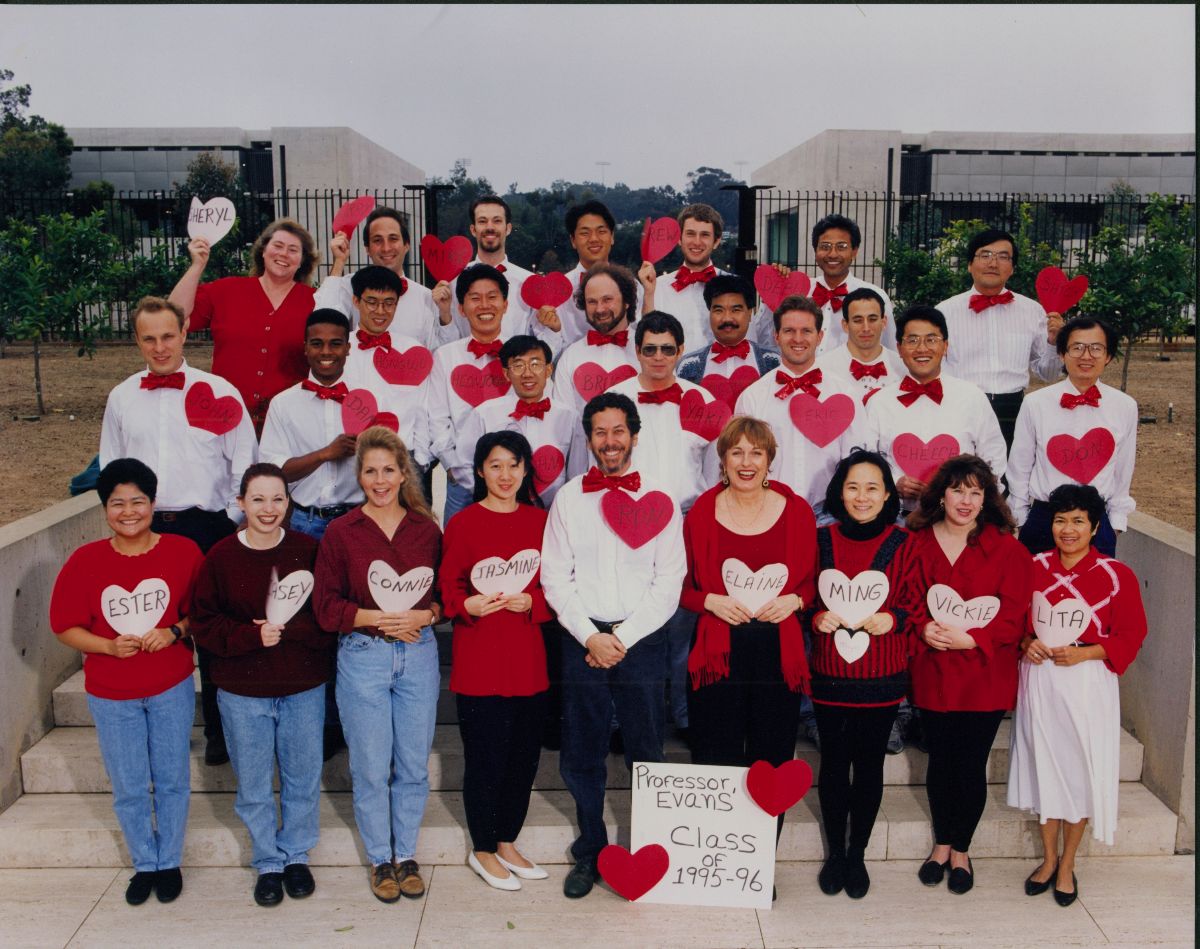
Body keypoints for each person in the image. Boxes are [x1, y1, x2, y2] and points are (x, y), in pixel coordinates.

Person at [100, 295, 257, 767]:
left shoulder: (220, 391)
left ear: (185, 333)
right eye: (149, 338)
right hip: (145, 529)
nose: (160, 347)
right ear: (137, 341)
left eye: (168, 336)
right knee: (149, 629)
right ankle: (156, 733)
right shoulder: (122, 397)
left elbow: (244, 462)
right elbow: (111, 467)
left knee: (210, 632)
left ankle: (219, 733)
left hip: (206, 525)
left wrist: (229, 519)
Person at [541, 392, 686, 899]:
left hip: (639, 637)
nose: (609, 442)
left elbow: (669, 583)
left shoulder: (661, 498)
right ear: (588, 439)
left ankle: (649, 847)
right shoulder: (566, 498)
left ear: (634, 435)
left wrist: (619, 638)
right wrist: (591, 636)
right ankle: (591, 851)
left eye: (618, 431)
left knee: (646, 747)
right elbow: (555, 578)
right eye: (600, 432)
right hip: (581, 637)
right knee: (582, 749)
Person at [49, 458, 203, 906]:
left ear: (153, 504)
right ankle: (145, 863)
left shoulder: (183, 552)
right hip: (112, 692)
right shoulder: (86, 561)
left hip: (170, 683)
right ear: (104, 509)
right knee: (130, 782)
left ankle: (169, 859)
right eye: (118, 503)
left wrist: (174, 630)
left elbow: (203, 612)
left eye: (138, 501)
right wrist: (106, 646)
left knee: (171, 776)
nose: (129, 511)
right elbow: (64, 625)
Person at [190, 463, 334, 908]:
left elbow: (327, 617)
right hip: (241, 690)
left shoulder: (309, 551)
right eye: (258, 499)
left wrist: (287, 631)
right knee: (253, 782)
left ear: (288, 503)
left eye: (277, 499)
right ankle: (268, 861)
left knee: (302, 775)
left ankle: (295, 855)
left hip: (301, 684)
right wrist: (251, 636)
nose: (268, 509)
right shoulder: (220, 557)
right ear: (241, 503)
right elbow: (205, 624)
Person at [312, 426, 442, 903]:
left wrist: (425, 614)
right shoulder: (341, 532)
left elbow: (444, 598)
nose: (380, 480)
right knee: (370, 766)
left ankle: (406, 853)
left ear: (404, 472)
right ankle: (379, 859)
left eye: (389, 470)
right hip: (364, 657)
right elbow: (326, 608)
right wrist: (379, 619)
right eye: (370, 471)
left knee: (411, 764)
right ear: (359, 475)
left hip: (419, 655)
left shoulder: (426, 529)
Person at [1007, 483, 1147, 907]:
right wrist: (1025, 642)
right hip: (1040, 681)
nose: (1068, 529)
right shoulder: (1031, 567)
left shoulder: (1115, 575)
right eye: (1060, 520)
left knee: (1079, 773)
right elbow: (1013, 621)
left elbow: (1133, 633)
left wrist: (1089, 651)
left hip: (1087, 683)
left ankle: (1067, 864)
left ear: (1095, 527)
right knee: (1045, 770)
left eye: (1078, 521)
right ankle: (1048, 859)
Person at [682, 417, 816, 851]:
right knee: (715, 756)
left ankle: (757, 862)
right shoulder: (701, 512)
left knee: (772, 759)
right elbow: (677, 585)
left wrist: (795, 601)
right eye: (736, 452)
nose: (746, 461)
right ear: (722, 460)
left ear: (769, 459)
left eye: (756, 452)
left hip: (778, 657)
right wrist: (709, 602)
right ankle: (719, 861)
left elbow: (813, 582)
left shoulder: (795, 511)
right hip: (718, 655)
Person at [904, 454, 1033, 895]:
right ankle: (940, 844)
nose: (965, 500)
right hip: (934, 668)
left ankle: (962, 849)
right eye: (958, 489)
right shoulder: (915, 542)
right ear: (941, 494)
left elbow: (1015, 613)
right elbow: (905, 599)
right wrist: (922, 626)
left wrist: (974, 639)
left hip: (984, 674)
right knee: (940, 761)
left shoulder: (1008, 548)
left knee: (971, 763)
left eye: (975, 492)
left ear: (987, 499)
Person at [440, 431, 552, 891]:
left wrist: (535, 605)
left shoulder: (542, 522)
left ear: (525, 469)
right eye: (494, 465)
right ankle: (482, 847)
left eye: (513, 464)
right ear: (480, 471)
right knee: (486, 757)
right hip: (480, 659)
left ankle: (508, 839)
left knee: (523, 757)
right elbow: (448, 589)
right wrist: (466, 606)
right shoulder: (464, 524)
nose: (505, 475)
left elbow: (558, 587)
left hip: (528, 659)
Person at [611, 310, 724, 736]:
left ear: (680, 351)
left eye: (667, 349)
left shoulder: (702, 401)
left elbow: (716, 472)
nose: (658, 358)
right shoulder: (614, 401)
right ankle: (629, 717)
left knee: (682, 625)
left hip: (685, 520)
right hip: (628, 523)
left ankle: (683, 712)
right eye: (649, 349)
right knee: (630, 616)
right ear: (637, 351)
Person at [808, 451, 916, 899]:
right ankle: (835, 853)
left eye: (873, 487)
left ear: (888, 494)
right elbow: (800, 594)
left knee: (869, 765)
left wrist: (894, 618)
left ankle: (858, 854)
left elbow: (918, 600)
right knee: (834, 763)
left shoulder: (905, 542)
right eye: (853, 487)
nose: (862, 496)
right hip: (829, 673)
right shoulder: (820, 540)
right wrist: (817, 618)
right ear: (839, 492)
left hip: (882, 674)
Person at [169, 218, 318, 430]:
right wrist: (197, 265)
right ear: (263, 250)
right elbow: (173, 318)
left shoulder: (315, 301)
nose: (284, 254)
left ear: (302, 260)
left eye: (293, 250)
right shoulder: (227, 290)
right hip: (225, 416)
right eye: (277, 245)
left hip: (287, 422)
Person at [1008, 317, 1135, 557]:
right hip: (1044, 519)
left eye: (1096, 348)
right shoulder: (1036, 403)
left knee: (1094, 593)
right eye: (1077, 347)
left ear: (1108, 356)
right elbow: (1020, 465)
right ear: (1062, 354)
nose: (1086, 356)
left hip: (1097, 521)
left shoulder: (1125, 406)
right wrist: (1022, 518)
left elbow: (1123, 469)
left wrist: (1115, 524)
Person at [864, 305, 1006, 518]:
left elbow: (993, 458)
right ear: (899, 348)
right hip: (896, 517)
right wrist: (892, 483)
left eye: (931, 339)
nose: (922, 348)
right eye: (912, 340)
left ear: (945, 346)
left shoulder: (972, 397)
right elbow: (866, 460)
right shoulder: (878, 402)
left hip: (959, 519)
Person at [735, 294, 867, 520]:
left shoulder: (845, 394)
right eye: (789, 331)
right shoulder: (752, 398)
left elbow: (858, 460)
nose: (798, 339)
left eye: (806, 331)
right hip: (768, 512)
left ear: (820, 337)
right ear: (776, 336)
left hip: (831, 514)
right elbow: (741, 461)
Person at [936, 229, 1064, 448]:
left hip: (1013, 409)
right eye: (984, 255)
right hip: (962, 408)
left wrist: (1054, 342)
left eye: (1003, 257)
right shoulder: (944, 313)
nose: (993, 263)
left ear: (1012, 268)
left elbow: (1048, 374)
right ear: (969, 265)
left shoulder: (1033, 311)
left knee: (1012, 478)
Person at [260, 309, 361, 542]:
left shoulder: (367, 400)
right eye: (317, 344)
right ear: (305, 347)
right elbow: (274, 472)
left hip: (358, 519)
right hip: (305, 523)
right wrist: (326, 454)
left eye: (335, 344)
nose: (326, 352)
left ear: (348, 348)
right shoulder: (283, 404)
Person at [427, 263, 514, 522]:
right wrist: (454, 467)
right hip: (462, 481)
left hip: (512, 478)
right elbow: (437, 417)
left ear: (505, 304)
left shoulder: (522, 353)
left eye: (492, 297)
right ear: (462, 309)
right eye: (475, 298)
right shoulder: (446, 356)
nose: (484, 305)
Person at [315, 206, 453, 350]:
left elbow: (441, 353)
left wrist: (445, 314)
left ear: (406, 245)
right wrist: (339, 261)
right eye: (377, 240)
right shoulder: (349, 286)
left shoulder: (425, 296)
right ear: (367, 249)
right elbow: (322, 322)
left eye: (393, 239)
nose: (386, 248)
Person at [344, 265, 434, 474]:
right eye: (372, 302)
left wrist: (420, 461)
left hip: (404, 460)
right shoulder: (340, 351)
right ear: (356, 301)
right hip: (352, 460)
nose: (380, 311)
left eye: (388, 303)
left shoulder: (413, 350)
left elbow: (423, 408)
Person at [532, 200, 645, 346]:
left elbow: (641, 335)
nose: (594, 239)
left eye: (601, 231)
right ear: (573, 240)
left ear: (612, 237)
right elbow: (546, 351)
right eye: (585, 233)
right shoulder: (555, 291)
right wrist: (553, 330)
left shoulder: (632, 285)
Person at [441, 196, 548, 344]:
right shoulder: (453, 282)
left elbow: (540, 341)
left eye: (497, 221)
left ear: (508, 228)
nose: (490, 227)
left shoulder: (529, 282)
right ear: (473, 229)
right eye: (482, 221)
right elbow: (448, 343)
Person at [677, 274, 780, 410]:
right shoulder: (688, 365)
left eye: (735, 310)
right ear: (709, 313)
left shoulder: (774, 362)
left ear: (749, 313)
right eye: (718, 310)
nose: (727, 318)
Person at [552, 262, 642, 417]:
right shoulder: (570, 357)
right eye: (592, 302)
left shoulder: (650, 351)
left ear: (627, 301)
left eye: (607, 299)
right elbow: (563, 421)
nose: (600, 309)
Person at [638, 203, 729, 348]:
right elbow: (645, 338)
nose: (697, 242)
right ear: (679, 239)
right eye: (690, 234)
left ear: (716, 241)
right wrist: (648, 294)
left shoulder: (733, 284)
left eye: (705, 235)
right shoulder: (656, 287)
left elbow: (750, 337)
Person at [806, 214, 896, 355]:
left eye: (841, 247)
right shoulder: (801, 290)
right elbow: (768, 340)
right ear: (815, 251)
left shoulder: (876, 296)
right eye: (825, 246)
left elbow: (890, 350)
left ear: (854, 251)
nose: (833, 254)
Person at [815, 287, 905, 393]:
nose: (866, 328)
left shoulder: (902, 367)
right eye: (858, 320)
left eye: (872, 319)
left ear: (884, 322)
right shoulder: (823, 368)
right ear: (845, 325)